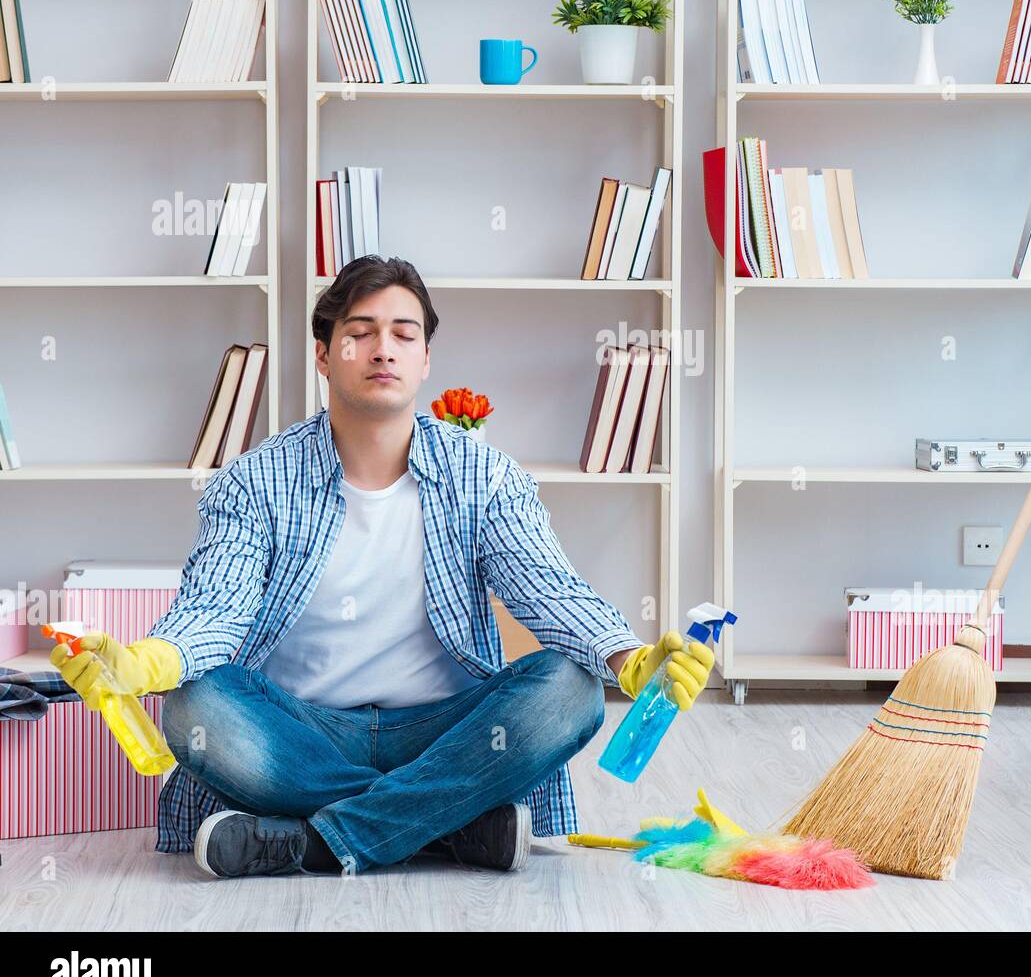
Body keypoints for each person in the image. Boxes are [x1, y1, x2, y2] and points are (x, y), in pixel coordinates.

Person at [51, 255, 712, 879]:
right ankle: (449, 827)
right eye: (359, 333)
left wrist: (630, 658)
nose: (383, 349)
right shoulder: (253, 481)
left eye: (403, 333)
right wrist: (143, 664)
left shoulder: (483, 475)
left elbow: (549, 592)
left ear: (425, 358)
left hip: (447, 732)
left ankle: (312, 843)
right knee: (197, 703)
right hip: (302, 735)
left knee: (568, 688)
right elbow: (214, 614)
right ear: (323, 354)